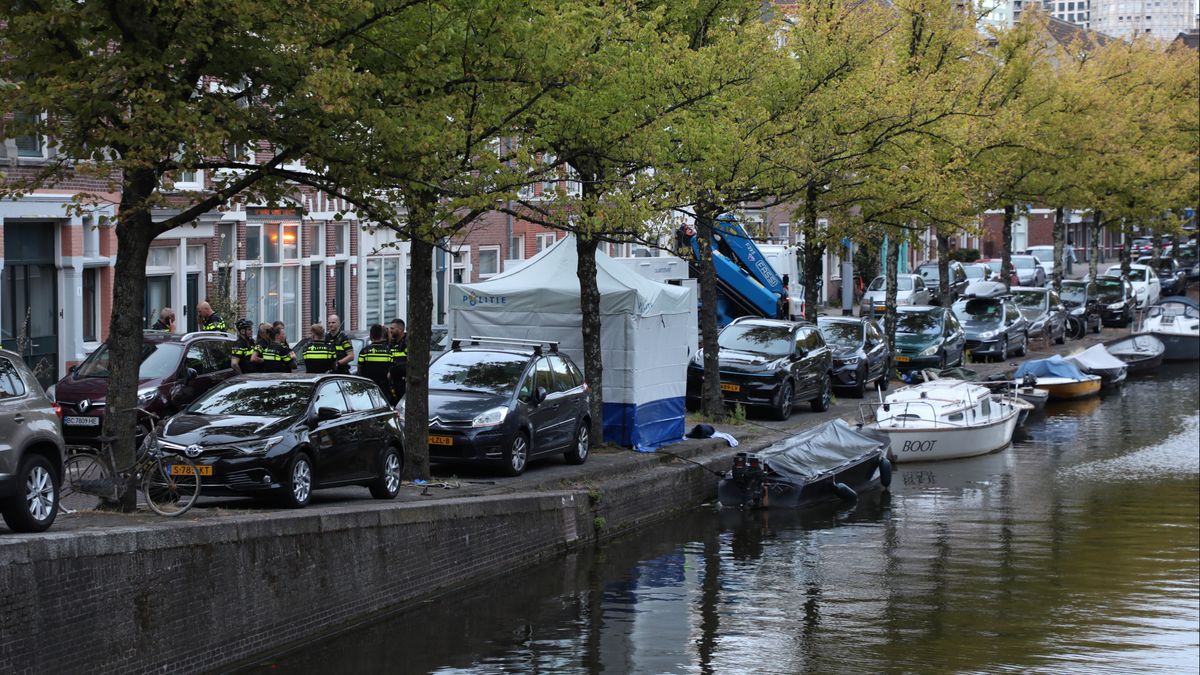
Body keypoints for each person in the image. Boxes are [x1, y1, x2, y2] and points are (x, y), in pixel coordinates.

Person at [357, 324, 394, 396]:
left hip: (368, 388)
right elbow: (390, 371)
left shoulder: (364, 351)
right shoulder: (388, 352)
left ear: (370, 335)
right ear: (381, 335)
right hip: (383, 389)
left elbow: (359, 369)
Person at [388, 319, 408, 404]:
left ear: (400, 329)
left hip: (403, 382)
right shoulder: (392, 343)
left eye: (392, 328)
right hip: (393, 381)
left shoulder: (407, 342)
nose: (390, 330)